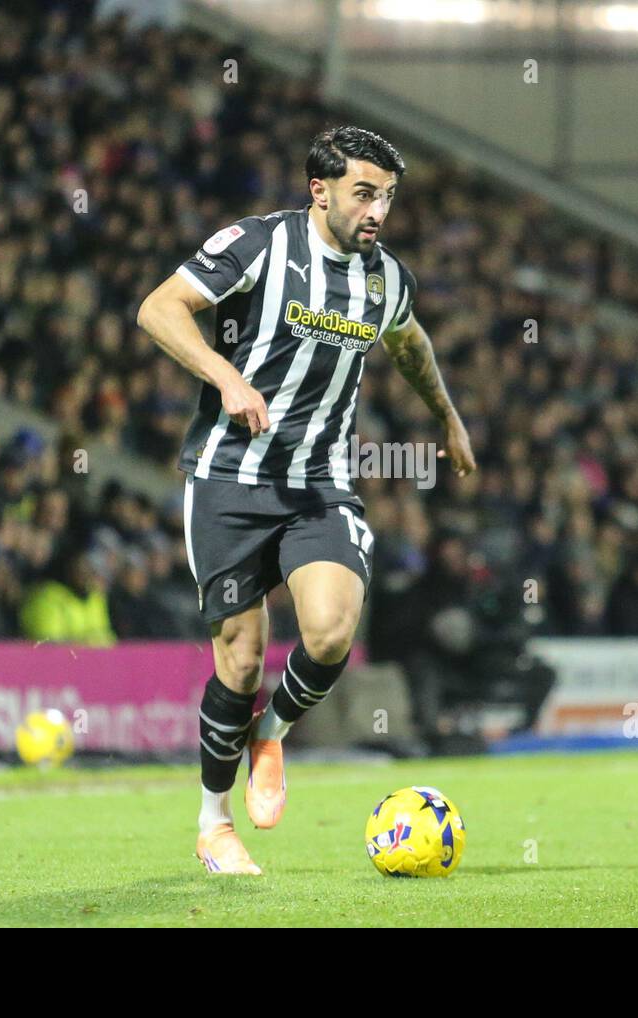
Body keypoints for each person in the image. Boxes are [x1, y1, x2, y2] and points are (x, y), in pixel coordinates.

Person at [136, 126, 477, 874]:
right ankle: (213, 823)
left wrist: (447, 417)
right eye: (364, 193)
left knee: (327, 634)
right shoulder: (257, 246)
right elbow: (160, 309)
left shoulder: (385, 279)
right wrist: (225, 377)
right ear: (318, 190)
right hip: (228, 477)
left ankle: (274, 734)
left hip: (320, 482)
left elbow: (410, 343)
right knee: (241, 659)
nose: (377, 211)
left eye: (387, 196)